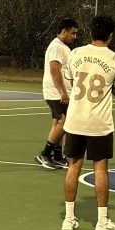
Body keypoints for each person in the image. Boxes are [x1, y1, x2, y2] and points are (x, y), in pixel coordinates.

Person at [61, 14, 115, 230]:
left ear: (90, 33)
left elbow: (71, 80)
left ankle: (69, 219)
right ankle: (102, 222)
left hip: (75, 120)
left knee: (73, 167)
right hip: (99, 123)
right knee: (101, 169)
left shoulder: (76, 53)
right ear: (110, 36)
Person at [36, 17, 78, 170]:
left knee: (57, 123)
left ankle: (58, 156)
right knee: (63, 123)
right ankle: (45, 154)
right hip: (55, 93)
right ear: (63, 31)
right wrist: (63, 92)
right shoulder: (56, 47)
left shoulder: (63, 47)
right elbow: (54, 70)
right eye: (73, 33)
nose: (75, 36)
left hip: (61, 92)